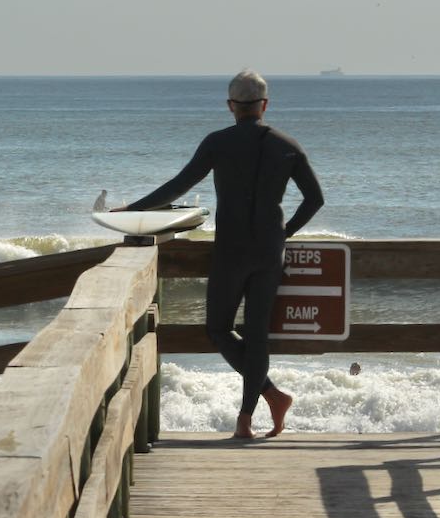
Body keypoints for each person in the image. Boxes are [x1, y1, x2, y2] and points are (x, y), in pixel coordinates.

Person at [116, 69, 324, 438]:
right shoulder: (287, 145)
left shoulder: (217, 143)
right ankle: (255, 411)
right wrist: (284, 232)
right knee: (257, 334)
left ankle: (266, 402)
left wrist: (132, 211)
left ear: (231, 106)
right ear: (265, 104)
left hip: (232, 251)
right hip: (268, 251)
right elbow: (315, 199)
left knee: (218, 329)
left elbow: (177, 186)